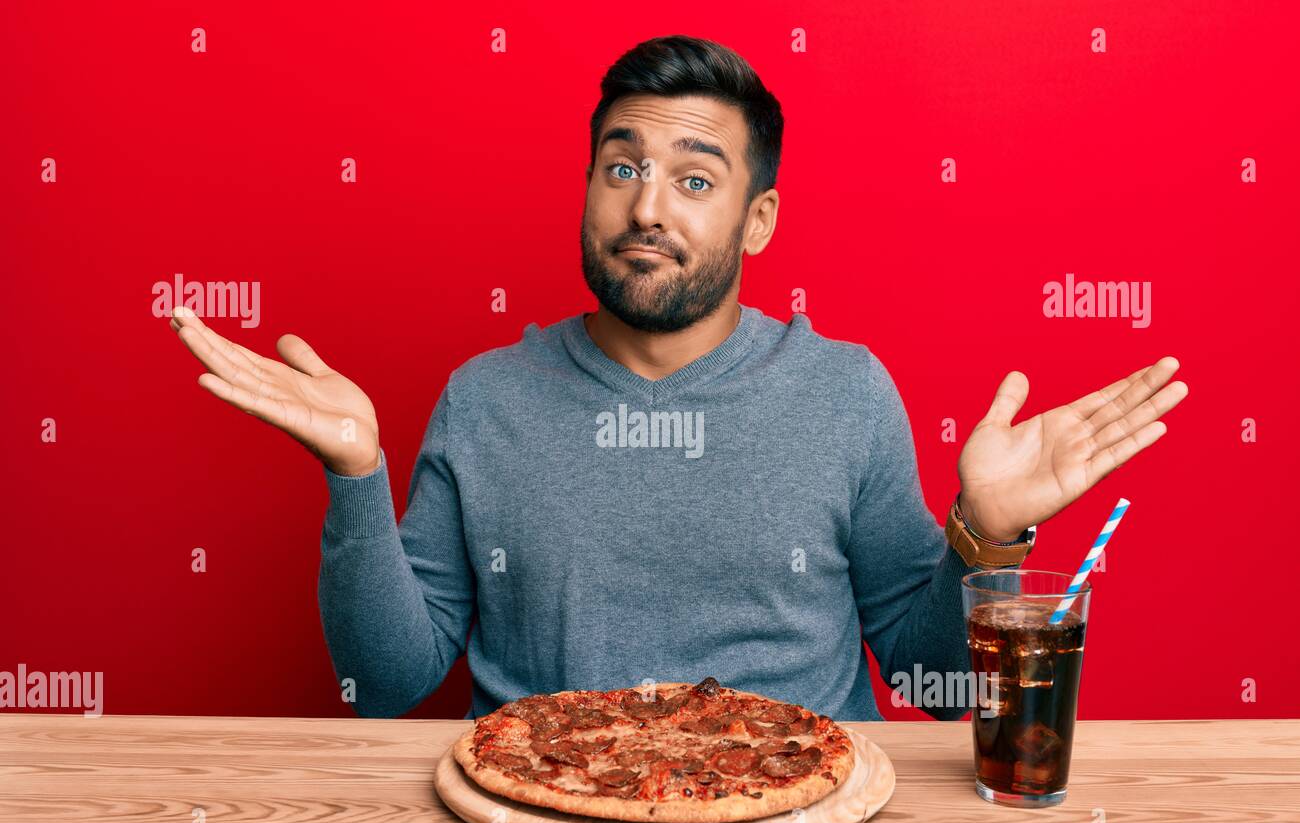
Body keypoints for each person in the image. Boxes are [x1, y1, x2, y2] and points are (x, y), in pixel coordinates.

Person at [167, 35, 1187, 721]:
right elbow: (379, 684)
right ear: (588, 188)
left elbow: (948, 691)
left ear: (757, 221)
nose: (647, 205)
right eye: (623, 167)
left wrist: (988, 533)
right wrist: (355, 475)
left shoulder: (846, 393)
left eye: (694, 178)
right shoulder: (484, 397)